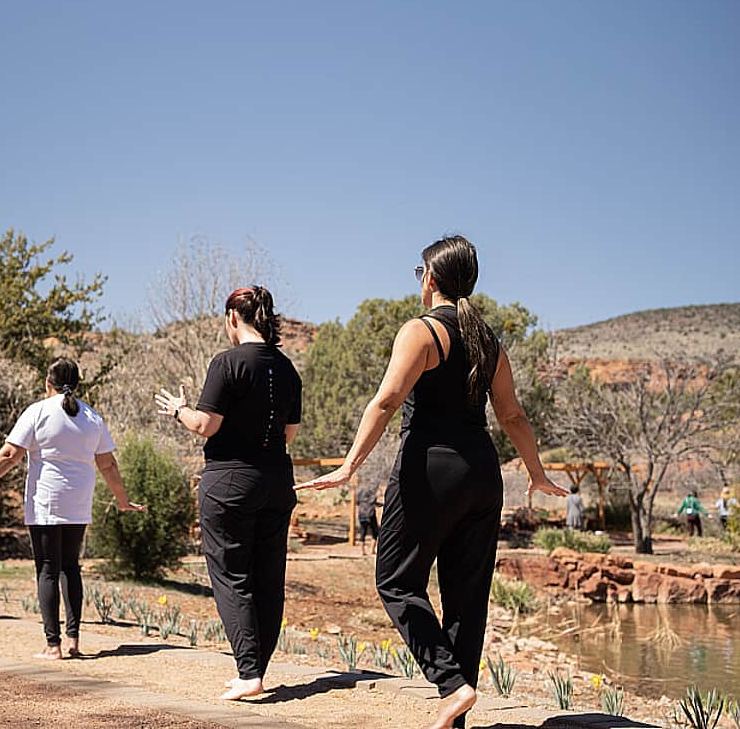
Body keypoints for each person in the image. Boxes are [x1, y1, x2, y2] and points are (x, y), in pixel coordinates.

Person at [297, 236, 567, 729]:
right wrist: (536, 472)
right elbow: (512, 415)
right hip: (483, 473)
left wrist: (349, 466)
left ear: (430, 277)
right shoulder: (490, 341)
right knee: (466, 598)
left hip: (430, 469)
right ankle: (456, 708)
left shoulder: (420, 332)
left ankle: (451, 684)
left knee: (396, 580)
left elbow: (385, 401)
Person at [0, 358, 144, 659]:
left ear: (47, 383)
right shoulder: (92, 417)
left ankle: (54, 646)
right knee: (70, 567)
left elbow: (10, 455)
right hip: (79, 500)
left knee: (47, 569)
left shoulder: (37, 412)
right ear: (78, 384)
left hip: (47, 500)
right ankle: (73, 641)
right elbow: (108, 464)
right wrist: (123, 500)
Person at [155, 285, 302, 701]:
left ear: (233, 317)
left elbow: (206, 425)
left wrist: (178, 411)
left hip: (229, 483)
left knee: (232, 576)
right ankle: (258, 668)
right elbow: (288, 433)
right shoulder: (288, 368)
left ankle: (249, 672)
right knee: (269, 578)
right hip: (276, 481)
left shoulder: (227, 363)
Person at [357, 488, 383, 555]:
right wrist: (382, 504)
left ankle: (362, 552)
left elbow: (357, 503)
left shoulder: (360, 492)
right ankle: (372, 550)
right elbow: (374, 503)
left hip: (361, 514)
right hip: (370, 515)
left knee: (363, 532)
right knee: (375, 533)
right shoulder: (372, 492)